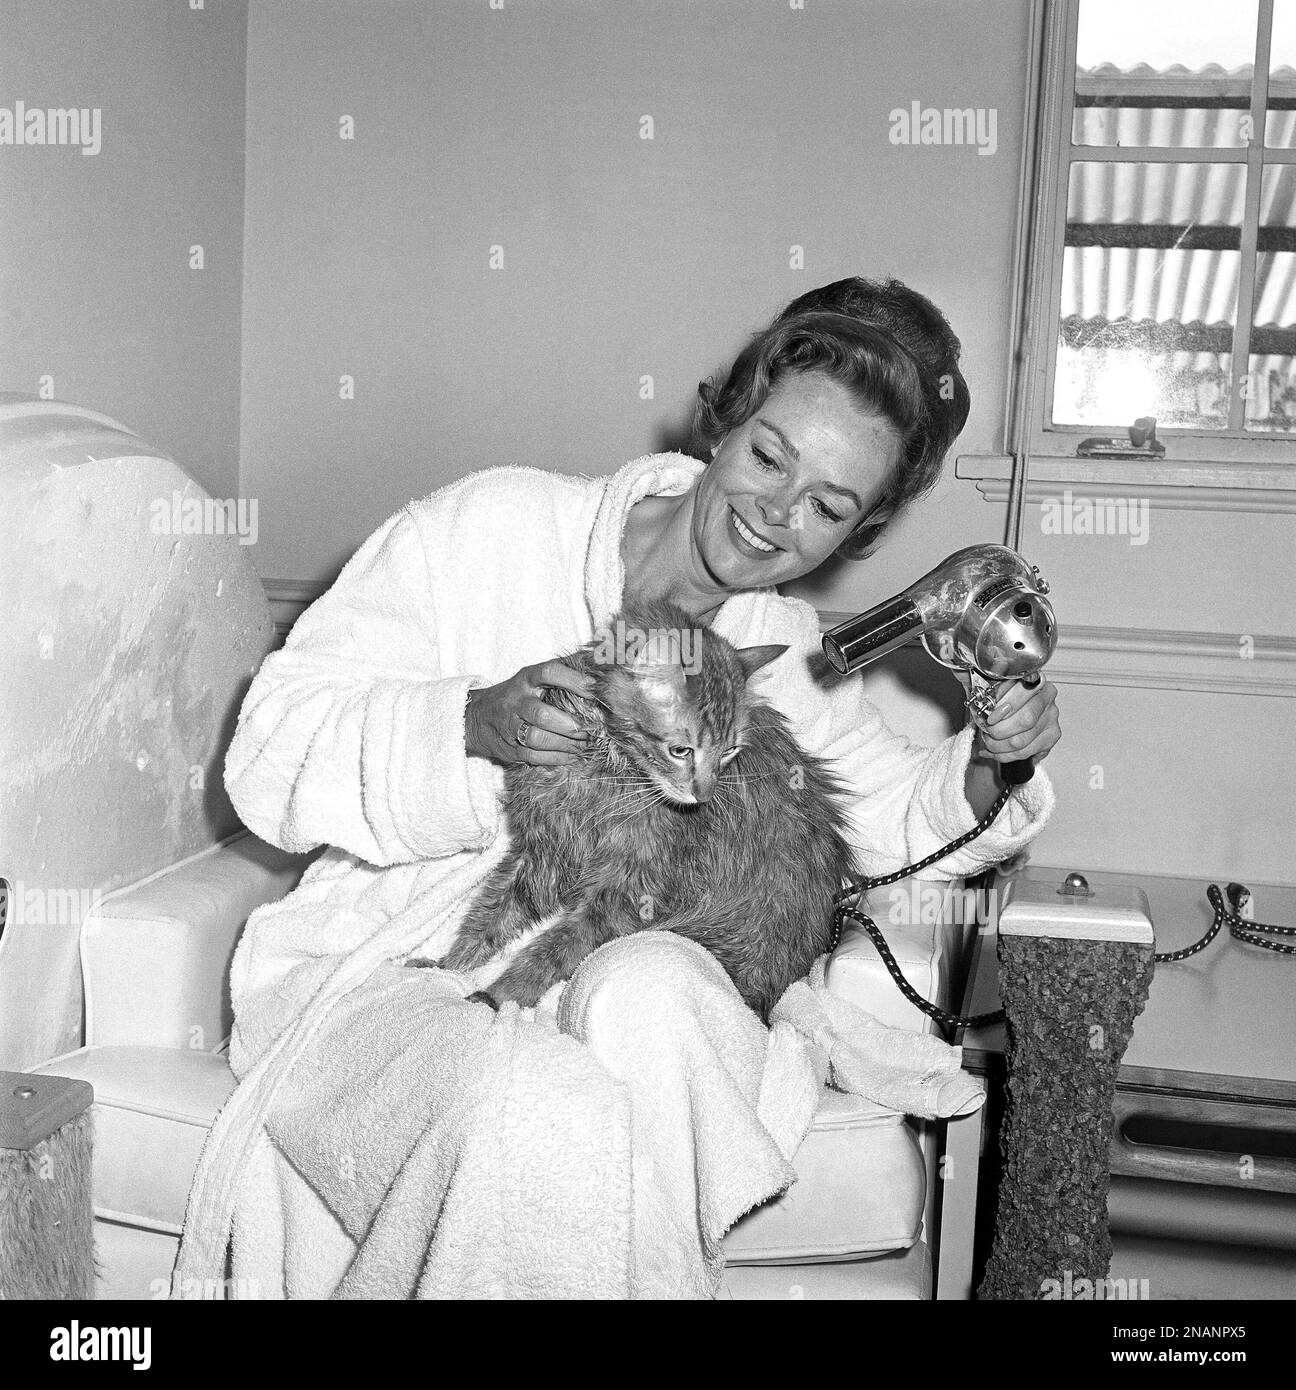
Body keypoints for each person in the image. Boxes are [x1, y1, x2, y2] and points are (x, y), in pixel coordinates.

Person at [177, 276, 1060, 1296]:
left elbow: (897, 821)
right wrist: (467, 724)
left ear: (855, 534)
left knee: (649, 999)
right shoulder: (493, 528)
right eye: (771, 456)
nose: (779, 515)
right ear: (725, 420)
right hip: (394, 971)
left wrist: (996, 758)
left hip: (617, 983)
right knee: (547, 1114)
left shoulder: (782, 652)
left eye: (828, 505)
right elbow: (266, 752)